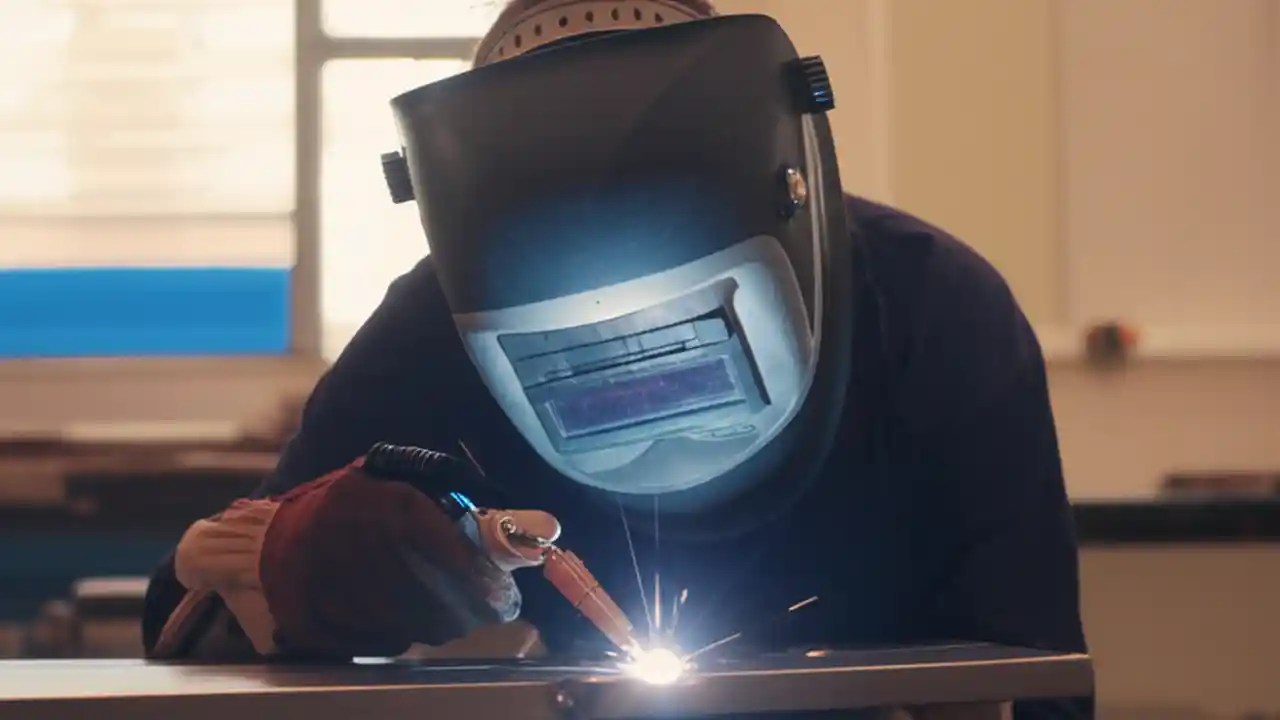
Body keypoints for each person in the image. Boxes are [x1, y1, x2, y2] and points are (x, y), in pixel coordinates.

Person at [143, 1, 1090, 716]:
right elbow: (193, 621)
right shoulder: (431, 328)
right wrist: (326, 574)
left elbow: (1038, 668)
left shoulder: (933, 308)